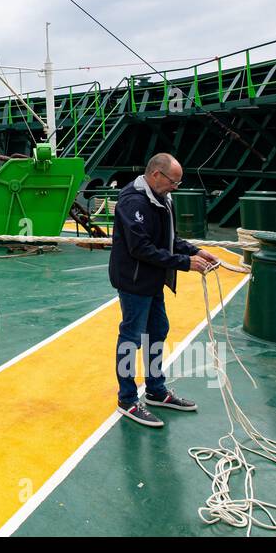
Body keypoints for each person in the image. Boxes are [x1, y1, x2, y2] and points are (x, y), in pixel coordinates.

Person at [107, 153, 219, 427]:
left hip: (153, 280)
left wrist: (195, 251)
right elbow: (140, 248)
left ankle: (156, 391)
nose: (176, 187)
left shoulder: (161, 198)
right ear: (156, 175)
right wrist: (185, 263)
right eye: (174, 181)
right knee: (131, 338)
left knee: (158, 332)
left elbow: (169, 239)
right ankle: (127, 399)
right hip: (134, 282)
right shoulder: (133, 201)